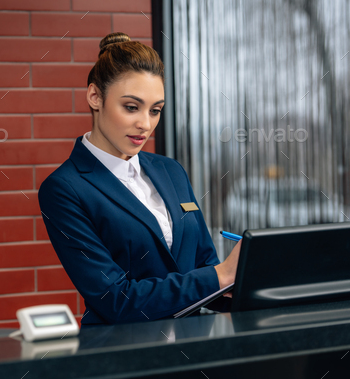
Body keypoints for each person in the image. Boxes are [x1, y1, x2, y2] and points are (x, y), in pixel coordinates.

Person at [38, 32, 242, 326]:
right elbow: (115, 300)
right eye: (131, 107)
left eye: (155, 110)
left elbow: (203, 267)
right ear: (95, 97)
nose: (145, 124)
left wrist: (249, 281)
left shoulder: (170, 171)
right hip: (124, 355)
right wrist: (221, 275)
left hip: (193, 347)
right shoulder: (65, 189)